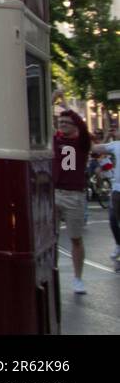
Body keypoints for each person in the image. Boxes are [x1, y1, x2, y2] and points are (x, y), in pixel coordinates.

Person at [54, 110, 92, 293]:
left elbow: (83, 127)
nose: (62, 124)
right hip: (54, 193)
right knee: (49, 238)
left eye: (66, 122)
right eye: (60, 121)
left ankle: (78, 278)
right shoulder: (55, 140)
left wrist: (67, 105)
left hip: (74, 195)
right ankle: (52, 272)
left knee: (75, 238)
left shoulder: (82, 143)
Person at [92, 135, 120, 269]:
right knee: (114, 219)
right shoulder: (116, 145)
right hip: (118, 190)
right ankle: (119, 246)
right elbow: (96, 148)